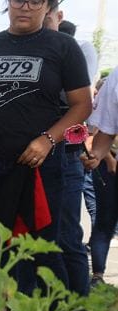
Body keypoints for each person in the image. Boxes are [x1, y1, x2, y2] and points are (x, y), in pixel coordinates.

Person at [0, 0, 91, 294]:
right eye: (17, 0)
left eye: (35, 1)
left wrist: (48, 140)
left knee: (43, 246)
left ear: (47, 7)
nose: (25, 7)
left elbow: (82, 105)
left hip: (40, 164)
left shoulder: (63, 47)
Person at [42, 4, 98, 302]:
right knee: (34, 238)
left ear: (56, 16)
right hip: (26, 155)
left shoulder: (78, 48)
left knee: (66, 235)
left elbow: (78, 102)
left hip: (64, 152)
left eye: (46, 14)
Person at [83, 68, 118, 286]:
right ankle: (97, 275)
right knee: (104, 221)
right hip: (109, 166)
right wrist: (96, 155)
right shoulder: (115, 77)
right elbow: (106, 128)